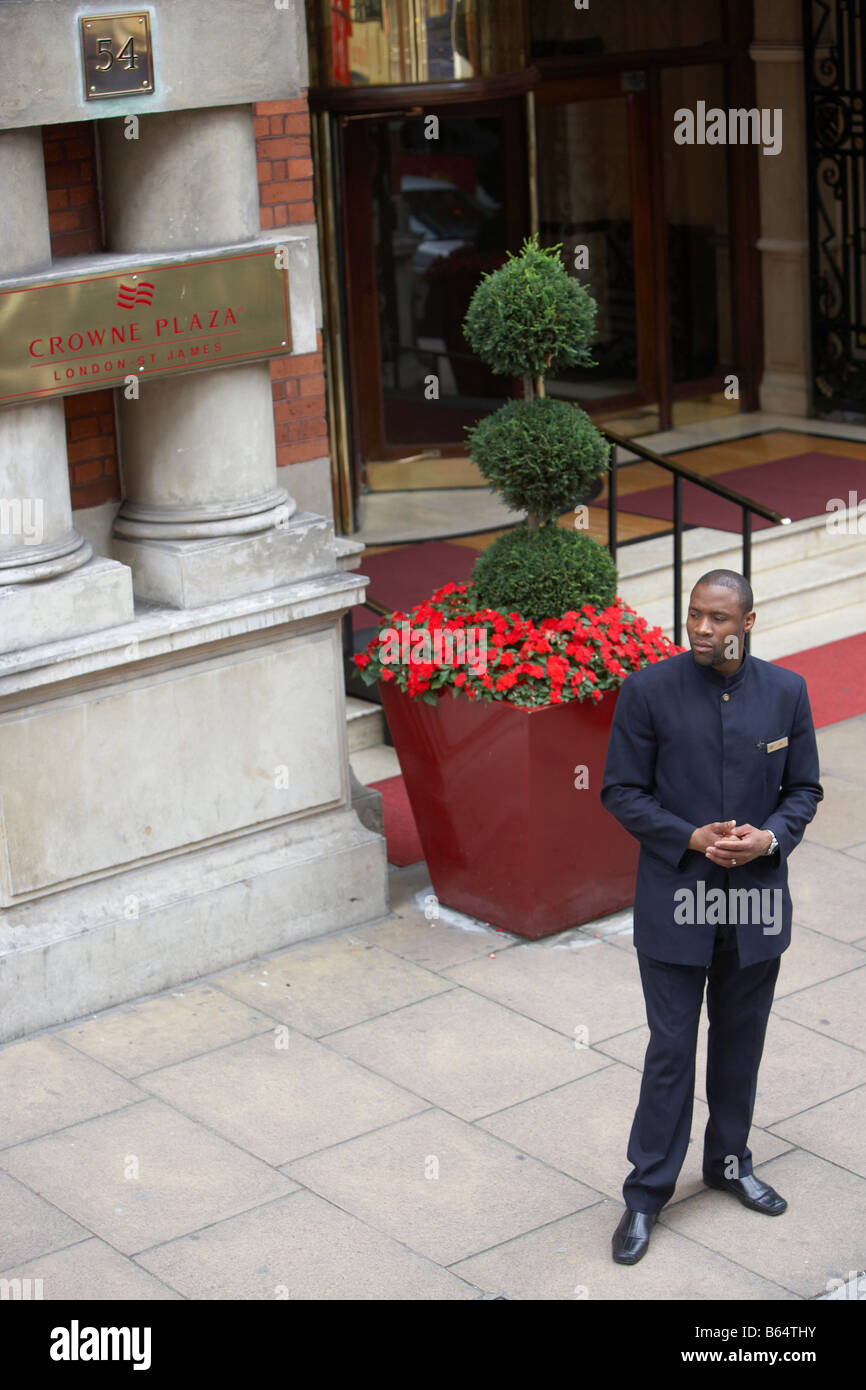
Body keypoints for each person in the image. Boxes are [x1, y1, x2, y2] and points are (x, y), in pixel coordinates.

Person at [600, 569, 823, 1264]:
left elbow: (805, 788)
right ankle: (645, 1195)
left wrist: (770, 838)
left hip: (755, 905)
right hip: (675, 903)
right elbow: (620, 792)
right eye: (695, 615)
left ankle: (730, 1165)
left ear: (748, 624)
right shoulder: (647, 693)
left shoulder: (787, 693)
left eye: (719, 619)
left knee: (739, 1044)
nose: (702, 628)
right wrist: (693, 837)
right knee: (671, 1052)